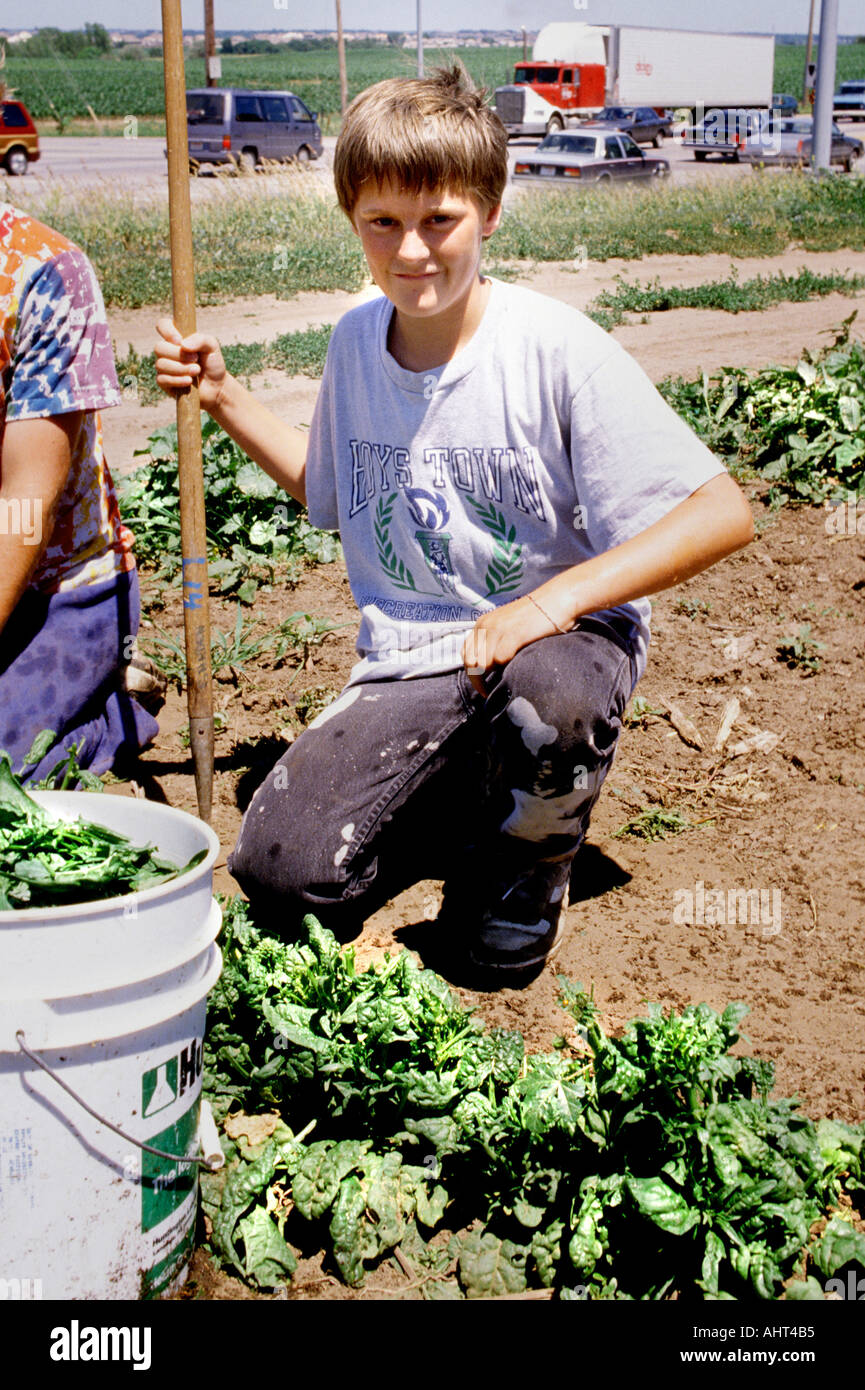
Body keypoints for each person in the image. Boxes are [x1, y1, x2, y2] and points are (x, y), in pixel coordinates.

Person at [154, 67, 753, 979]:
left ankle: (524, 864)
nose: (411, 251)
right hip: (417, 651)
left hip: (561, 645)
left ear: (490, 211)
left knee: (547, 706)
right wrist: (224, 396)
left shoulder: (551, 346)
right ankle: (467, 787)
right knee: (283, 876)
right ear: (353, 219)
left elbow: (719, 514)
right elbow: (328, 490)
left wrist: (547, 606)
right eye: (382, 223)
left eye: (440, 220)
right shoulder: (356, 342)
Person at [0, 202, 159, 783]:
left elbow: (23, 500)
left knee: (4, 772)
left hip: (58, 589)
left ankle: (110, 715)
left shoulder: (42, 272)